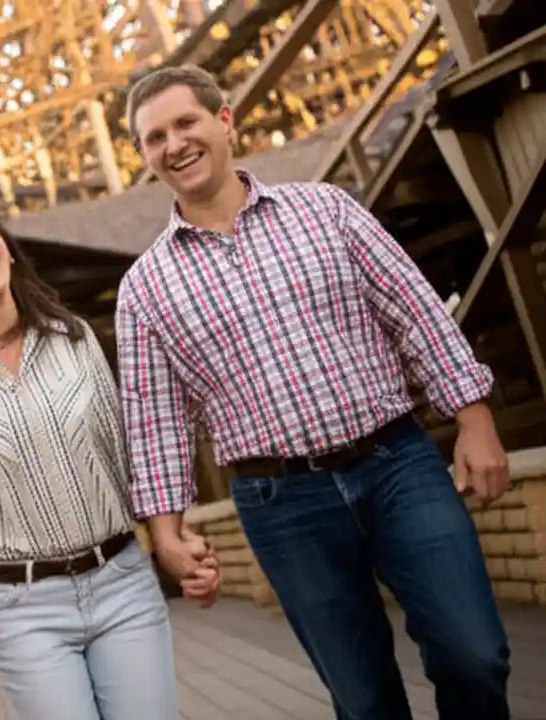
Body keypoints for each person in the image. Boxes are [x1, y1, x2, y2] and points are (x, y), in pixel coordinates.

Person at [116, 64, 513, 719]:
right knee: (363, 701)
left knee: (475, 654)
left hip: (398, 467)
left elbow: (415, 312)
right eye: (155, 137)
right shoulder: (145, 288)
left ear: (224, 121)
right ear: (144, 155)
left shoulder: (326, 209)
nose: (174, 144)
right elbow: (155, 420)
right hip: (281, 504)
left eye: (185, 122)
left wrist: (474, 419)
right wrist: (168, 532)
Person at [0, 198, 220, 720]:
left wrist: (171, 536)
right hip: (21, 607)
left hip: (120, 580)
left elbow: (126, 450)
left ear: (5, 250)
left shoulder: (73, 337)